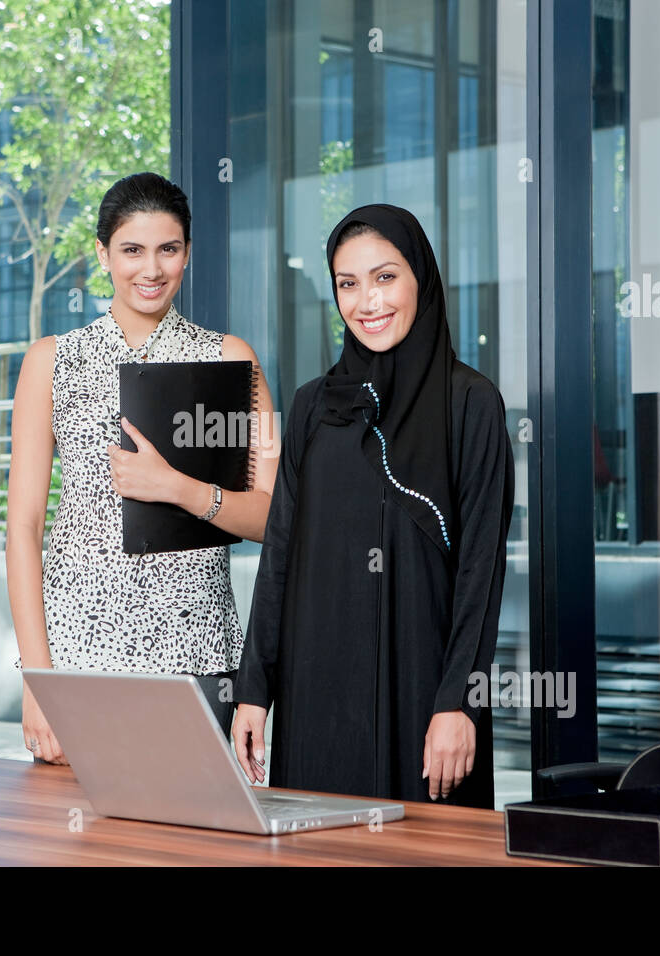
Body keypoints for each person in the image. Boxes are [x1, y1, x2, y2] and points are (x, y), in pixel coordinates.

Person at [231, 203, 515, 807]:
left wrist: (458, 703)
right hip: (317, 702)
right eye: (348, 284)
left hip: (425, 702)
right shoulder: (313, 406)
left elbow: (481, 574)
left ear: (420, 278)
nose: (368, 302)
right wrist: (252, 690)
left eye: (385, 277)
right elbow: (279, 554)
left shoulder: (470, 404)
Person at [6, 172, 279, 765]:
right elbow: (23, 529)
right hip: (80, 659)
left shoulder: (233, 359)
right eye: (131, 249)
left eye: (168, 249)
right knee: (80, 852)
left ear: (187, 253)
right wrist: (36, 677)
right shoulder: (51, 361)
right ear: (102, 253)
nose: (151, 269)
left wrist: (178, 489)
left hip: (198, 654)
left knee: (189, 852)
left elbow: (271, 517)